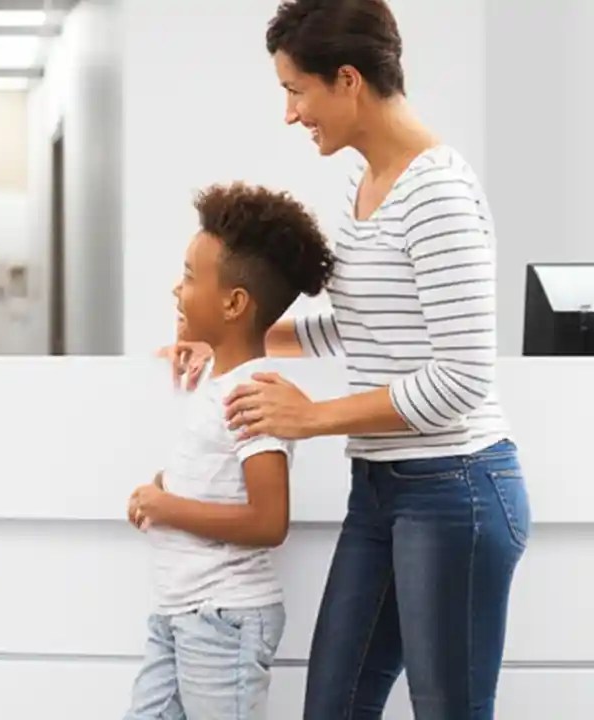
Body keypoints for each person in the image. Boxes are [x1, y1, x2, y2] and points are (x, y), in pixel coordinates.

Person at [164, 2, 530, 718]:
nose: (292, 114)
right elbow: (359, 323)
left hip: (455, 491)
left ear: (349, 80)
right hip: (382, 490)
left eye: (296, 91)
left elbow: (462, 379)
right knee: (332, 706)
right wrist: (237, 336)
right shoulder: (362, 185)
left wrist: (313, 417)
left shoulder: (439, 194)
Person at [124, 182, 335, 719]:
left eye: (191, 277)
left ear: (234, 303)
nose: (177, 289)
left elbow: (269, 521)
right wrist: (160, 489)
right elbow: (209, 469)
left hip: (223, 618)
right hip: (179, 611)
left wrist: (167, 507)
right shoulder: (216, 383)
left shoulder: (254, 393)